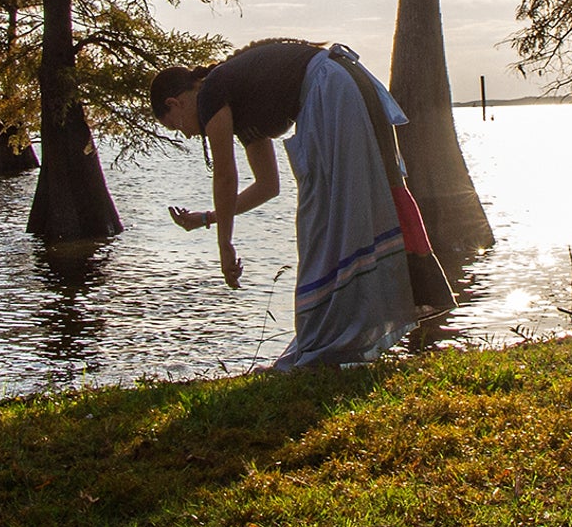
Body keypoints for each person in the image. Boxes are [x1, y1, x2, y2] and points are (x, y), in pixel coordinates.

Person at [151, 38, 421, 369]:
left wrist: (225, 248)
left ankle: (329, 343)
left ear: (175, 103)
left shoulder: (209, 94)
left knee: (326, 220)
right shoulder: (239, 102)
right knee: (327, 220)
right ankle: (332, 338)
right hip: (338, 86)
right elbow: (267, 186)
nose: (187, 134)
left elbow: (225, 176)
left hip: (332, 88)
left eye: (175, 125)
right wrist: (208, 218)